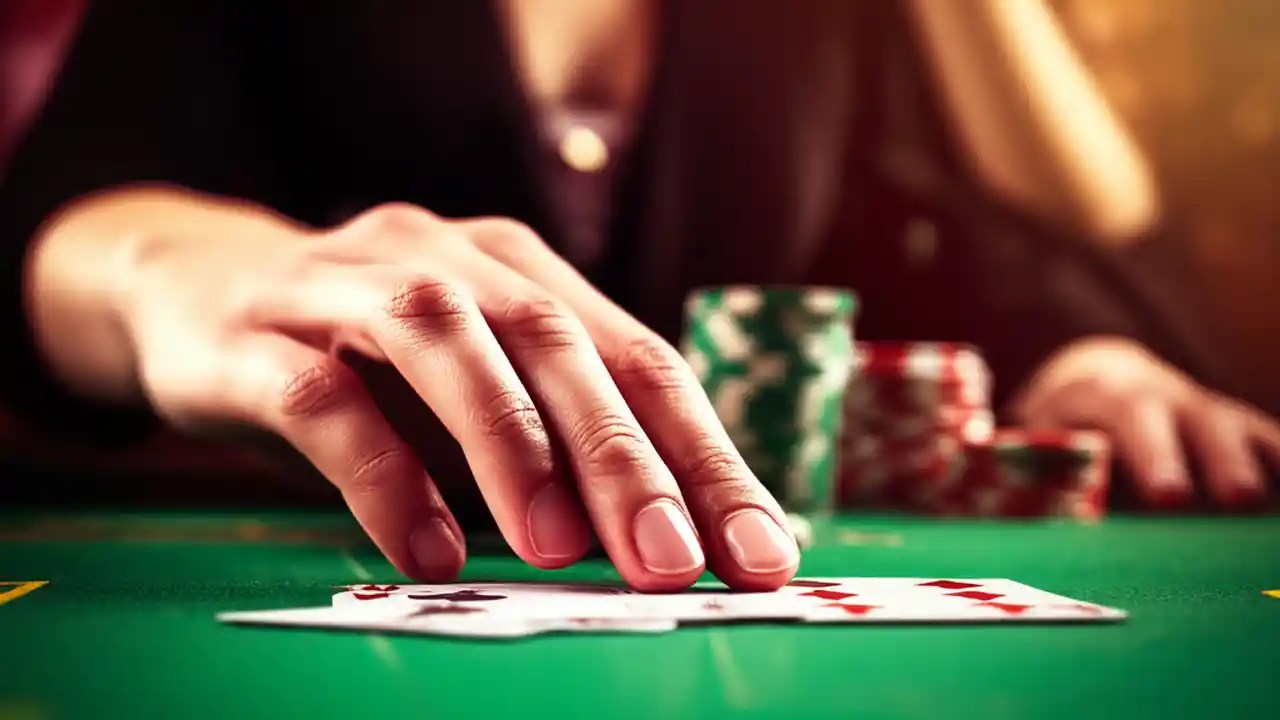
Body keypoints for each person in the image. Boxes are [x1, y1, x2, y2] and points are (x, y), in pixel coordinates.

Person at [0, 1, 1276, 592]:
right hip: (307, 552)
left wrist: (1078, 355)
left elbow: (1003, 236)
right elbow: (67, 217)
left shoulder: (818, 24)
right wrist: (156, 269)